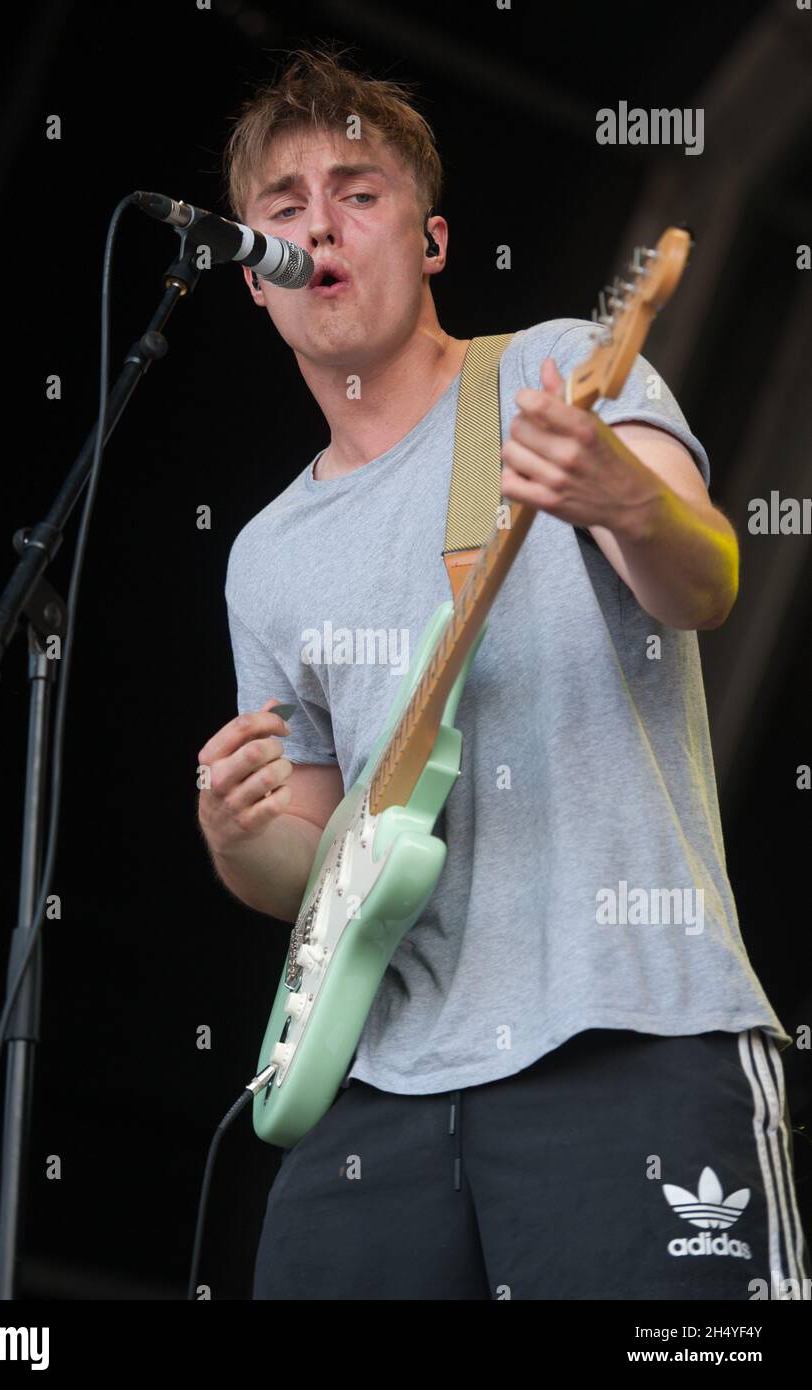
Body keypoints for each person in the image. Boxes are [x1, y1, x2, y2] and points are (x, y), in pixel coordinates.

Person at [196, 45, 809, 1300]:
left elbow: (704, 581)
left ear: (427, 241)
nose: (318, 224)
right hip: (375, 1091)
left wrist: (619, 498)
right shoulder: (261, 556)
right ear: (253, 279)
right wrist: (233, 831)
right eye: (283, 205)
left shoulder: (553, 369)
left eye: (356, 192)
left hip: (630, 1033)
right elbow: (318, 873)